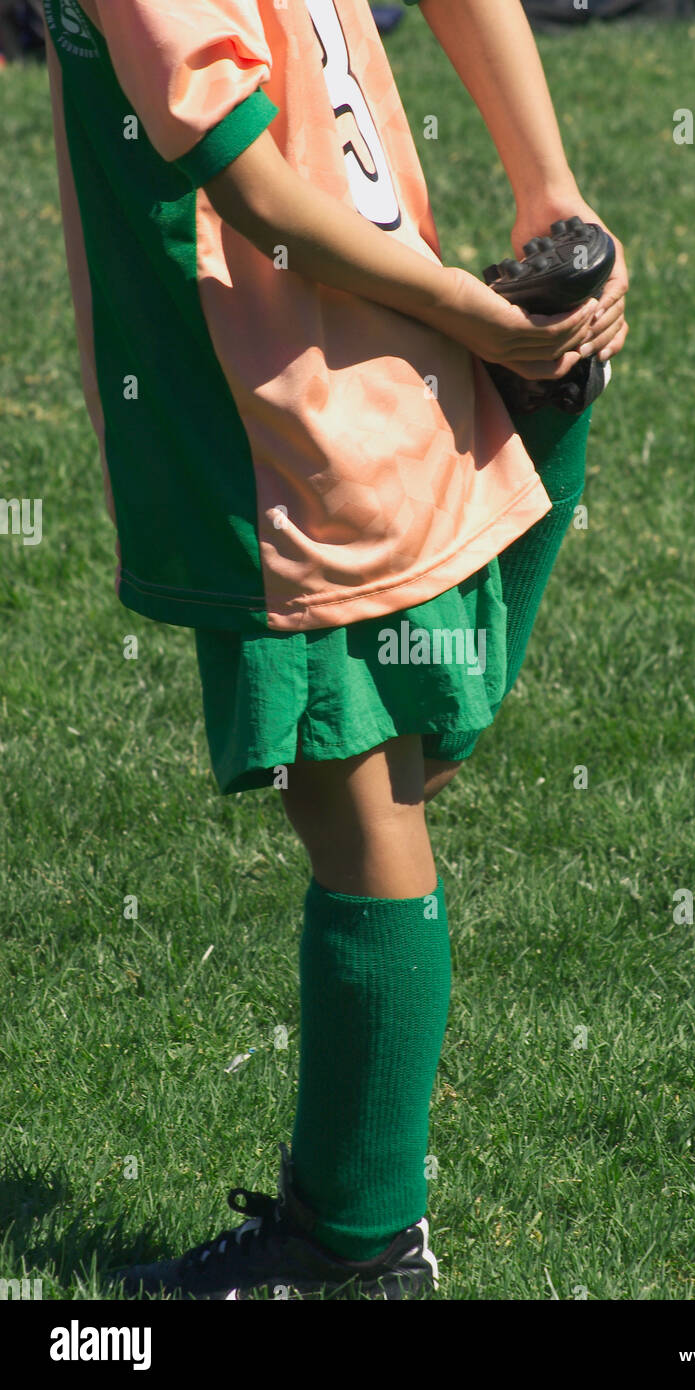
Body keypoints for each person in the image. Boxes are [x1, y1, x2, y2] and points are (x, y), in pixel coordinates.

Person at [43, 0, 627, 1299]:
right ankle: (355, 1223)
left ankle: (360, 1244)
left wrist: (487, 305)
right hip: (390, 367)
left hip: (280, 416)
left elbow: (256, 189)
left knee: (360, 799)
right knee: (386, 777)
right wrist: (550, 196)